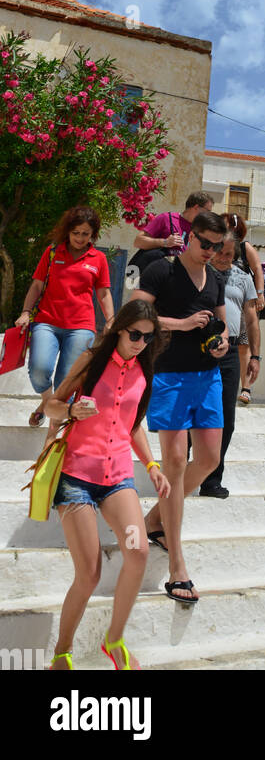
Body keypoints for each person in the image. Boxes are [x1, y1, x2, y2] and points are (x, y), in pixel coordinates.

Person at [42, 298, 171, 671]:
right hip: (76, 480)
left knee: (139, 552)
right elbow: (51, 404)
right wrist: (68, 411)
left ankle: (113, 640)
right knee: (90, 573)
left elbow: (132, 426)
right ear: (119, 329)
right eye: (134, 335)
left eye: (148, 338)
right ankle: (62, 653)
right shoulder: (92, 362)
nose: (140, 343)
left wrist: (152, 465)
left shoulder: (144, 373)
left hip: (117, 479)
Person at [132, 209, 229, 606]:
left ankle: (155, 519)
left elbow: (222, 326)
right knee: (173, 461)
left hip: (208, 377)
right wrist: (182, 324)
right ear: (189, 236)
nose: (209, 251)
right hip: (169, 375)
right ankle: (177, 567)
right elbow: (136, 315)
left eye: (216, 246)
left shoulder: (218, 280)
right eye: (204, 242)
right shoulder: (160, 271)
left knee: (207, 459)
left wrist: (221, 341)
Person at [15, 206, 114, 429]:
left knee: (66, 382)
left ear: (93, 235)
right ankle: (47, 403)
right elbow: (37, 285)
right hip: (46, 322)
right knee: (39, 370)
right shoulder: (52, 252)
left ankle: (52, 430)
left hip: (81, 326)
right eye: (75, 232)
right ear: (68, 232)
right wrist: (25, 312)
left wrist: (111, 319)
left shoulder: (98, 259)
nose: (80, 238)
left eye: (85, 234)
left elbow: (104, 292)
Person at [198, 231, 261, 498]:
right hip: (198, 349)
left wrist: (255, 356)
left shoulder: (243, 278)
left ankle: (212, 480)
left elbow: (251, 318)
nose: (223, 258)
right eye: (219, 252)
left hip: (232, 350)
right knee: (196, 413)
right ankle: (186, 471)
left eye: (228, 254)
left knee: (226, 418)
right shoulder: (198, 272)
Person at [223, 213, 265, 405]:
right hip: (225, 300)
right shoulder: (218, 244)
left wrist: (260, 294)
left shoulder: (244, 246)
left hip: (243, 300)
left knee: (243, 345)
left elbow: (257, 269)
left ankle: (246, 388)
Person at [130, 191, 214, 261]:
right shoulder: (166, 218)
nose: (208, 215)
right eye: (208, 211)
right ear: (196, 207)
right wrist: (165, 242)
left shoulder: (200, 231)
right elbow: (138, 241)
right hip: (155, 274)